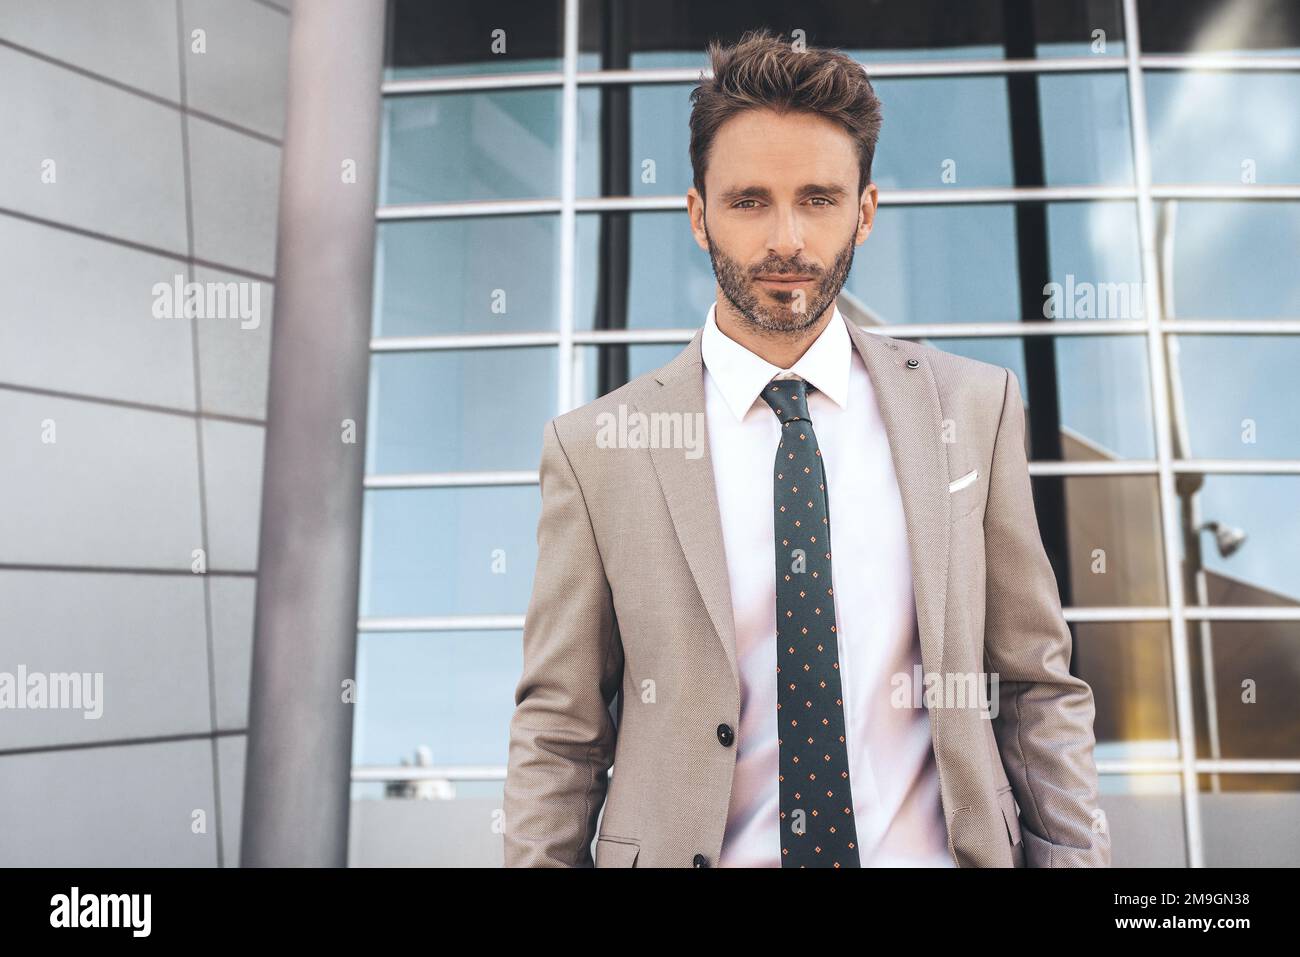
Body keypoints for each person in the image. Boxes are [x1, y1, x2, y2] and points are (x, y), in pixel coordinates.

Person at [502, 28, 1110, 869]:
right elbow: (560, 731)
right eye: (749, 200)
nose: (785, 239)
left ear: (863, 211)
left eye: (818, 199)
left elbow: (1037, 688)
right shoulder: (597, 448)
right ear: (697, 211)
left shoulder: (974, 408)